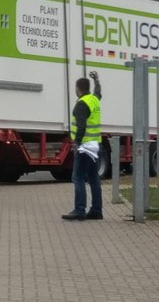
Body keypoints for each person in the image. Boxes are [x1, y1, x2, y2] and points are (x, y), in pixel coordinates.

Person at [62, 70, 103, 221]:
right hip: (95, 144)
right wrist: (97, 81)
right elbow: (98, 93)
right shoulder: (94, 100)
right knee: (93, 178)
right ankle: (97, 210)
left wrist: (76, 143)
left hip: (84, 145)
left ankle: (79, 210)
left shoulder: (80, 105)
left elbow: (81, 127)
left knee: (78, 177)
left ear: (78, 89)